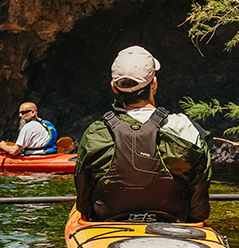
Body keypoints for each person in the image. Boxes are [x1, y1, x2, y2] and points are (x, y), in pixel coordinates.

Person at [74, 45, 211, 223]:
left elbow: (83, 202)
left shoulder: (95, 133)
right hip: (175, 223)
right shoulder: (184, 129)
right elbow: (200, 202)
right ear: (154, 83)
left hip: (107, 225)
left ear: (114, 87)